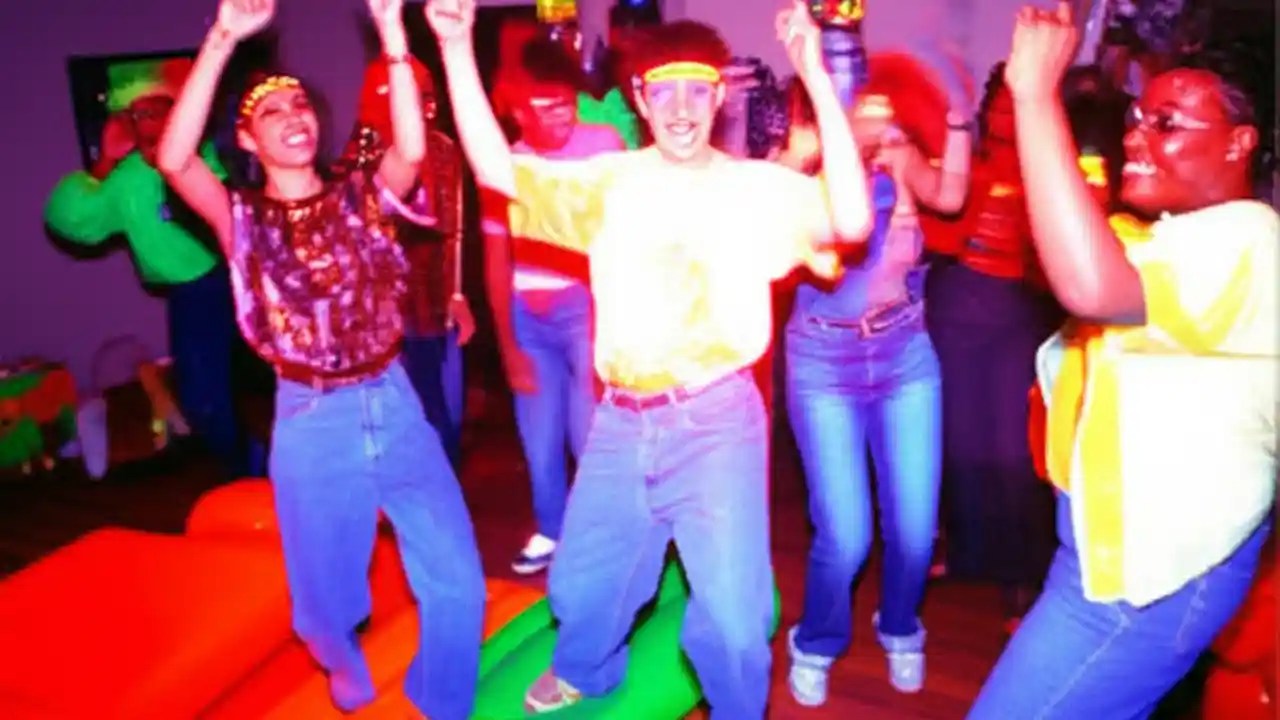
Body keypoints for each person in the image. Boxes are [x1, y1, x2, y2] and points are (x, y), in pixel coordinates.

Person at [427, 1, 873, 716]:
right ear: (639, 99)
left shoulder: (755, 189)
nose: (682, 107)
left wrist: (815, 75)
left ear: (720, 96)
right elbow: (496, 173)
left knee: (733, 620)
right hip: (622, 422)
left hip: (716, 420)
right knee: (579, 587)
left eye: (698, 88)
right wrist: (454, 49)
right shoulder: (611, 182)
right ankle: (587, 669)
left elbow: (851, 219)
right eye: (664, 89)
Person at [154, 0, 485, 717]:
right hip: (310, 418)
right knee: (324, 604)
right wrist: (223, 39)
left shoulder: (363, 197)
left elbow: (411, 149)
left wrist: (394, 30)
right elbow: (173, 159)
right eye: (273, 112)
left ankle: (443, 701)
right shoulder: (238, 217)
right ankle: (339, 655)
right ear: (246, 138)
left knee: (458, 584)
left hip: (394, 403)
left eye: (301, 104)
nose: (294, 115)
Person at [968, 4, 1276, 717]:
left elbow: (1091, 286)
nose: (1138, 134)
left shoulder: (1253, 241)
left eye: (1168, 124)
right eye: (1140, 116)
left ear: (1239, 144)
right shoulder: (1169, 235)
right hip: (1113, 555)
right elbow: (1073, 259)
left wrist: (1036, 95)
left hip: (1153, 581)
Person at [782, 49, 971, 704]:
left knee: (916, 530)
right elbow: (764, 203)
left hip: (904, 356)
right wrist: (818, 147)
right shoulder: (802, 168)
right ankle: (817, 638)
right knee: (846, 534)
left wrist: (958, 118)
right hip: (822, 363)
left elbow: (951, 195)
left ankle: (899, 625)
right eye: (861, 108)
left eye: (881, 109)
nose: (875, 121)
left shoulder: (898, 158)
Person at [44, 56, 263, 478]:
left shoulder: (205, 154)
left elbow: (241, 192)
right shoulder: (125, 178)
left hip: (245, 279)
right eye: (136, 113)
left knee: (281, 383)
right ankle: (249, 470)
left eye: (157, 109)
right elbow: (71, 221)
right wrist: (105, 164)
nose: (147, 120)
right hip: (193, 293)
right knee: (202, 399)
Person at [484, 36, 626, 575]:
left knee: (587, 431)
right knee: (538, 439)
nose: (562, 116)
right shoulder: (505, 164)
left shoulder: (603, 144)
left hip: (585, 308)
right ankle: (551, 528)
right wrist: (508, 347)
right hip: (527, 317)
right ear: (519, 112)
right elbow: (496, 258)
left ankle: (598, 540)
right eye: (546, 108)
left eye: (568, 102)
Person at [336, 55, 475, 468]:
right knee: (399, 415)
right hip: (383, 315)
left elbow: (454, 227)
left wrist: (456, 294)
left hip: (434, 306)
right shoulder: (359, 153)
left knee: (441, 411)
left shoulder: (444, 149)